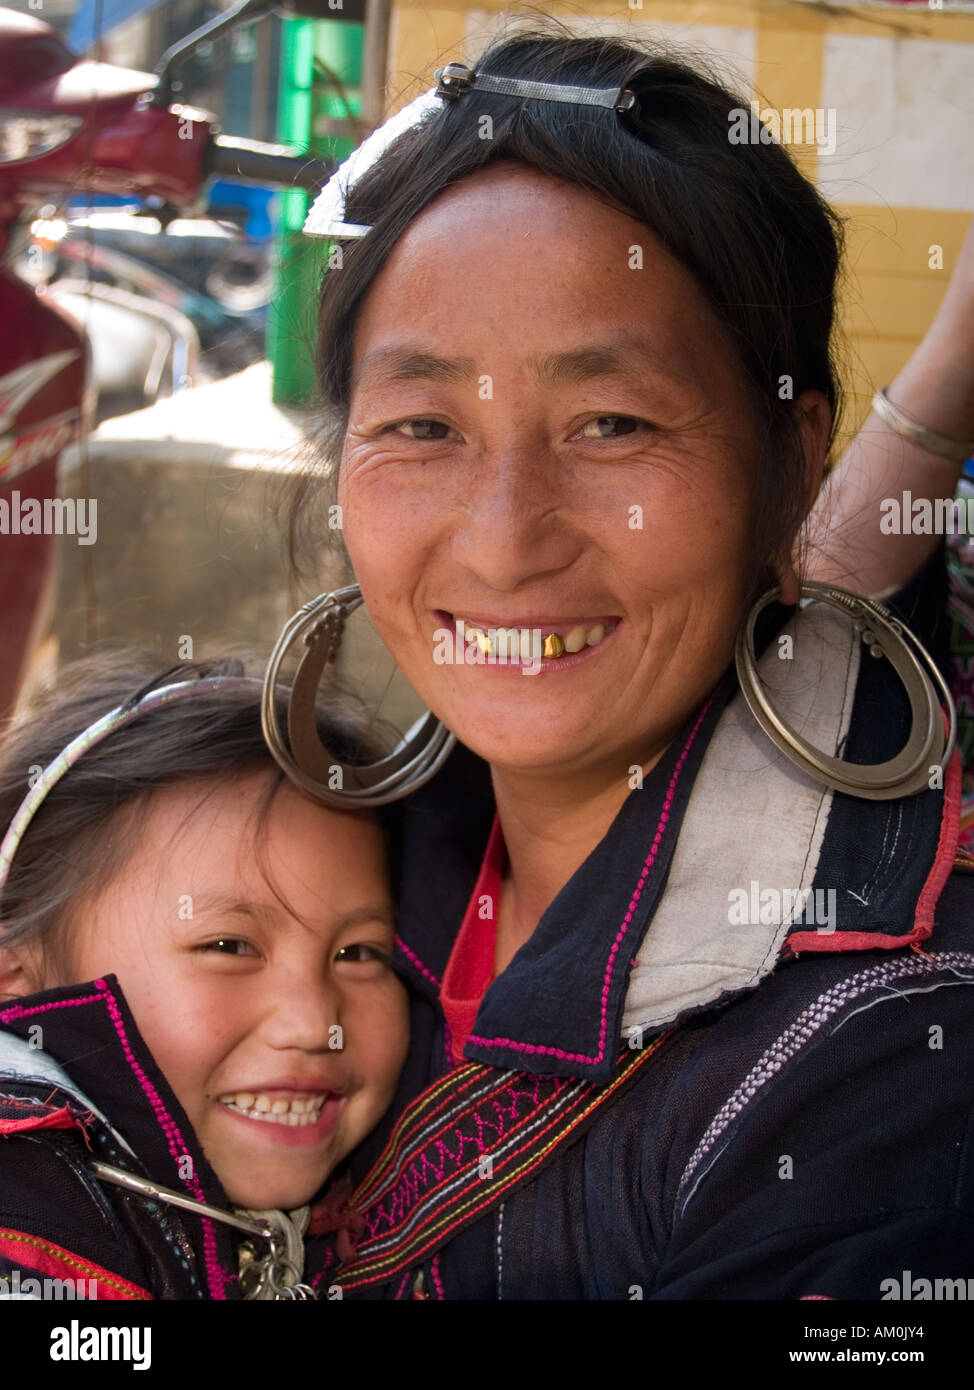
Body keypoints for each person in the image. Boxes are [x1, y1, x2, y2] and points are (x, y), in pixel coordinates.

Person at [270, 23, 974, 1299]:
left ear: (789, 468)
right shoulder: (292, 850)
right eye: (422, 425)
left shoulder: (880, 1061)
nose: (500, 544)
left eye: (611, 424)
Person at [0, 657, 408, 1300]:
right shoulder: (26, 1216)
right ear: (15, 970)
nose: (313, 1025)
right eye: (227, 945)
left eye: (358, 953)